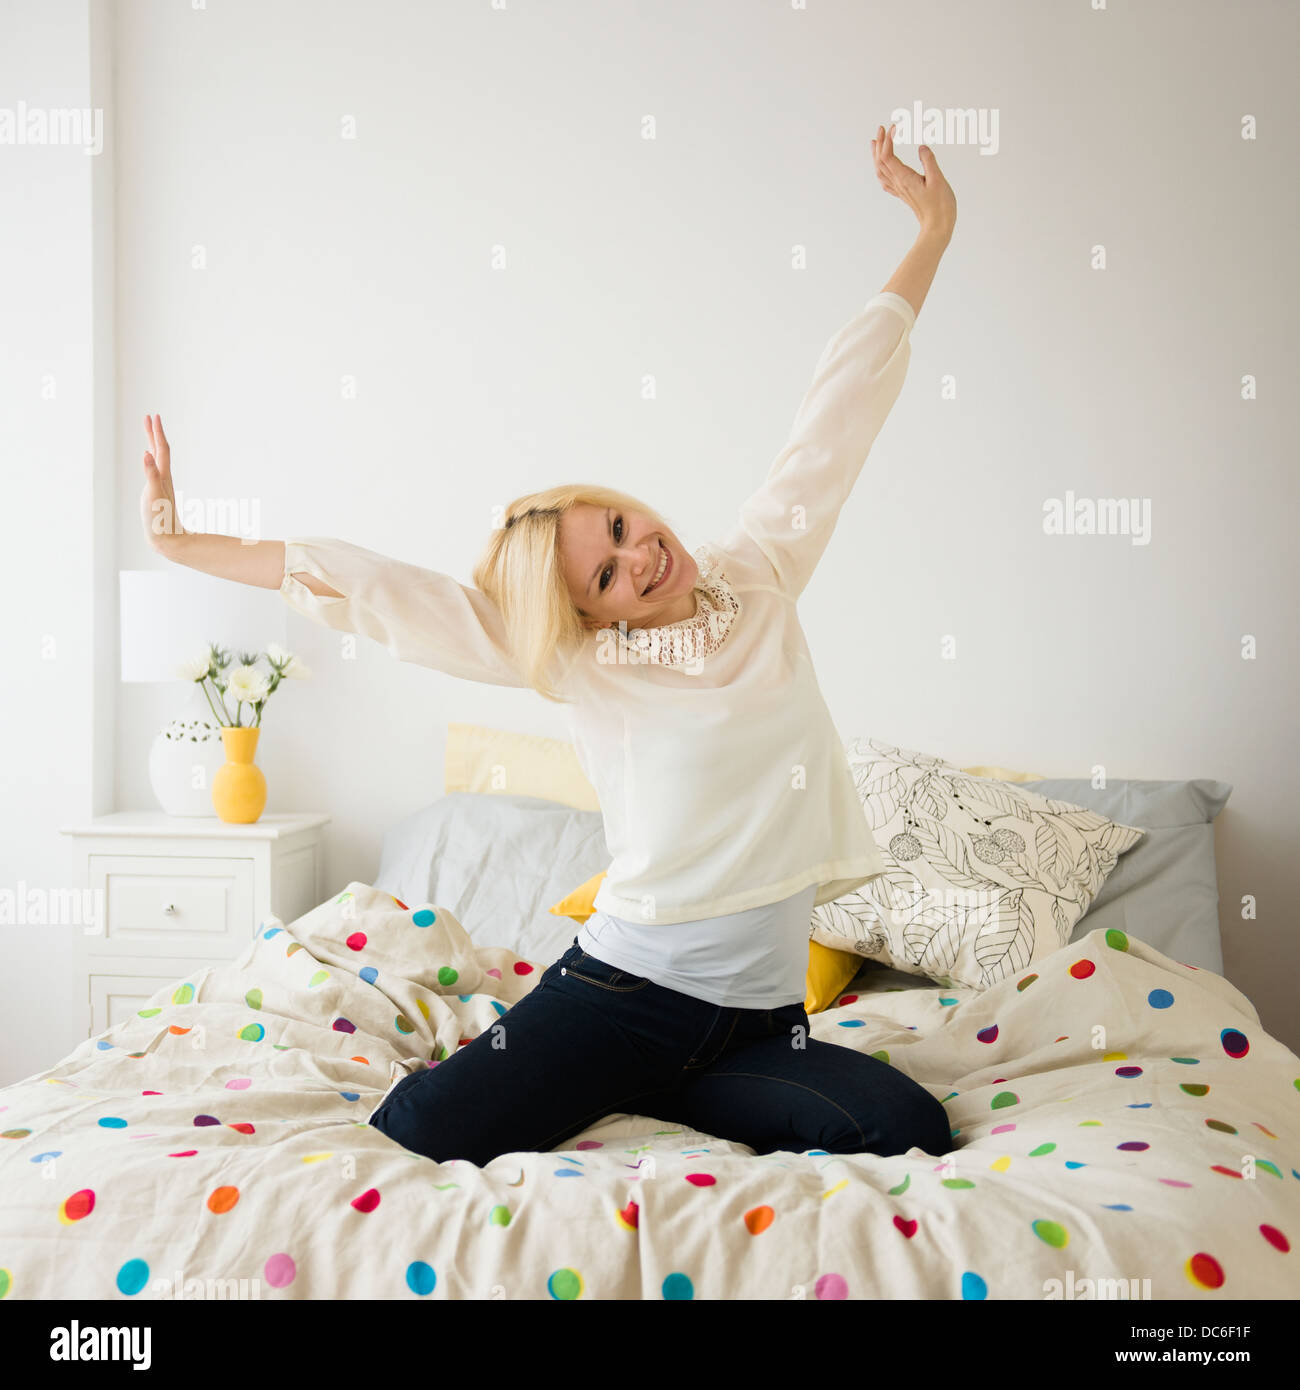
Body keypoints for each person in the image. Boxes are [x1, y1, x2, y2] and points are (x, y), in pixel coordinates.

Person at [139, 124, 958, 1167]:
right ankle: (606, 1066)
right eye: (605, 575)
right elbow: (382, 589)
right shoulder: (583, 663)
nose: (639, 556)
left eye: (620, 528)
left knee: (905, 1127)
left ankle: (674, 1087)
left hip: (757, 1020)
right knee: (417, 1134)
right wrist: (181, 540)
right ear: (591, 615)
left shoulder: (758, 569)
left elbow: (837, 412)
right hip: (623, 996)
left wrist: (932, 230)